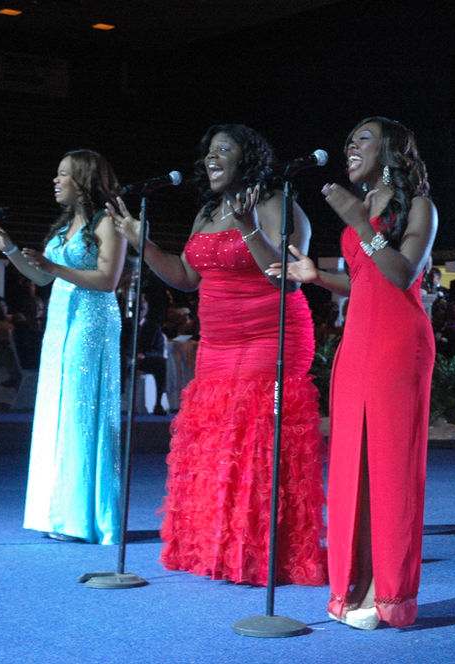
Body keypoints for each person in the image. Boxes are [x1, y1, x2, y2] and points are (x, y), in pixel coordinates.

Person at [110, 124, 326, 586]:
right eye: (208, 150)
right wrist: (140, 242)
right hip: (217, 343)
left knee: (252, 444)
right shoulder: (207, 213)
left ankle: (259, 552)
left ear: (248, 159)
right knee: (215, 443)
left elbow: (286, 280)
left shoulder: (281, 208)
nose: (211, 157)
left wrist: (248, 227)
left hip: (271, 336)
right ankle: (215, 546)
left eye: (223, 150)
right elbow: (187, 276)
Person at [269, 116, 438, 629]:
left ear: (392, 150)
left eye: (362, 138)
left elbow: (402, 274)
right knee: (350, 467)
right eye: (349, 139)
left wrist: (360, 224)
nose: (350, 146)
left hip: (397, 343)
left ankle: (389, 594)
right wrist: (319, 277)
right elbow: (367, 278)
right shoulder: (363, 210)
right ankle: (353, 585)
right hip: (357, 342)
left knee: (388, 468)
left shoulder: (421, 208)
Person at [0, 149, 127, 543]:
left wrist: (54, 268)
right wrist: (9, 249)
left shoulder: (107, 222)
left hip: (91, 322)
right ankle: (58, 513)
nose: (55, 181)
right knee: (55, 410)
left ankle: (82, 518)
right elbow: (43, 279)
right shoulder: (66, 226)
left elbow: (107, 280)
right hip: (61, 322)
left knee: (80, 409)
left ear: (82, 180)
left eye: (63, 174)